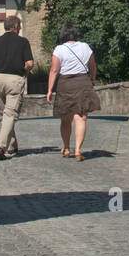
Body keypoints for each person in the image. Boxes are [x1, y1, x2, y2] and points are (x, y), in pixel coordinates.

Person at [0, 16, 35, 161]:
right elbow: (30, 63)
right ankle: (1, 146)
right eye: (20, 26)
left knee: (6, 114)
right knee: (10, 114)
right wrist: (26, 70)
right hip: (14, 80)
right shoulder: (23, 42)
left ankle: (12, 146)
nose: (21, 28)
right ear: (16, 26)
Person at [46, 25, 100, 161]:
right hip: (82, 82)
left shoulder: (59, 49)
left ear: (63, 36)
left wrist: (50, 90)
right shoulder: (85, 47)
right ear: (76, 36)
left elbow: (54, 70)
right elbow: (92, 66)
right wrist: (92, 79)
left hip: (65, 84)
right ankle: (78, 150)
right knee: (81, 117)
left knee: (65, 119)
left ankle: (66, 147)